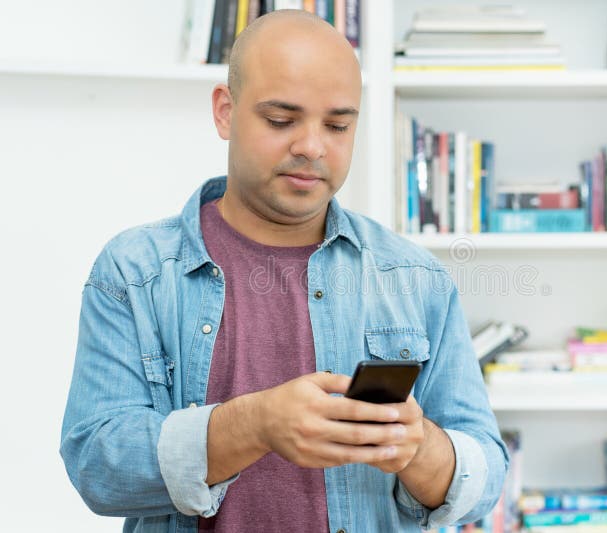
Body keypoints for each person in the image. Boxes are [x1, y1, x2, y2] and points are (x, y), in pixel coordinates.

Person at [60, 9, 507, 533]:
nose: (312, 146)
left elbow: (486, 476)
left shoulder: (415, 276)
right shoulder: (133, 272)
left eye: (338, 125)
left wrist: (418, 447)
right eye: (281, 120)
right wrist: (255, 425)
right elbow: (95, 464)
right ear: (225, 112)